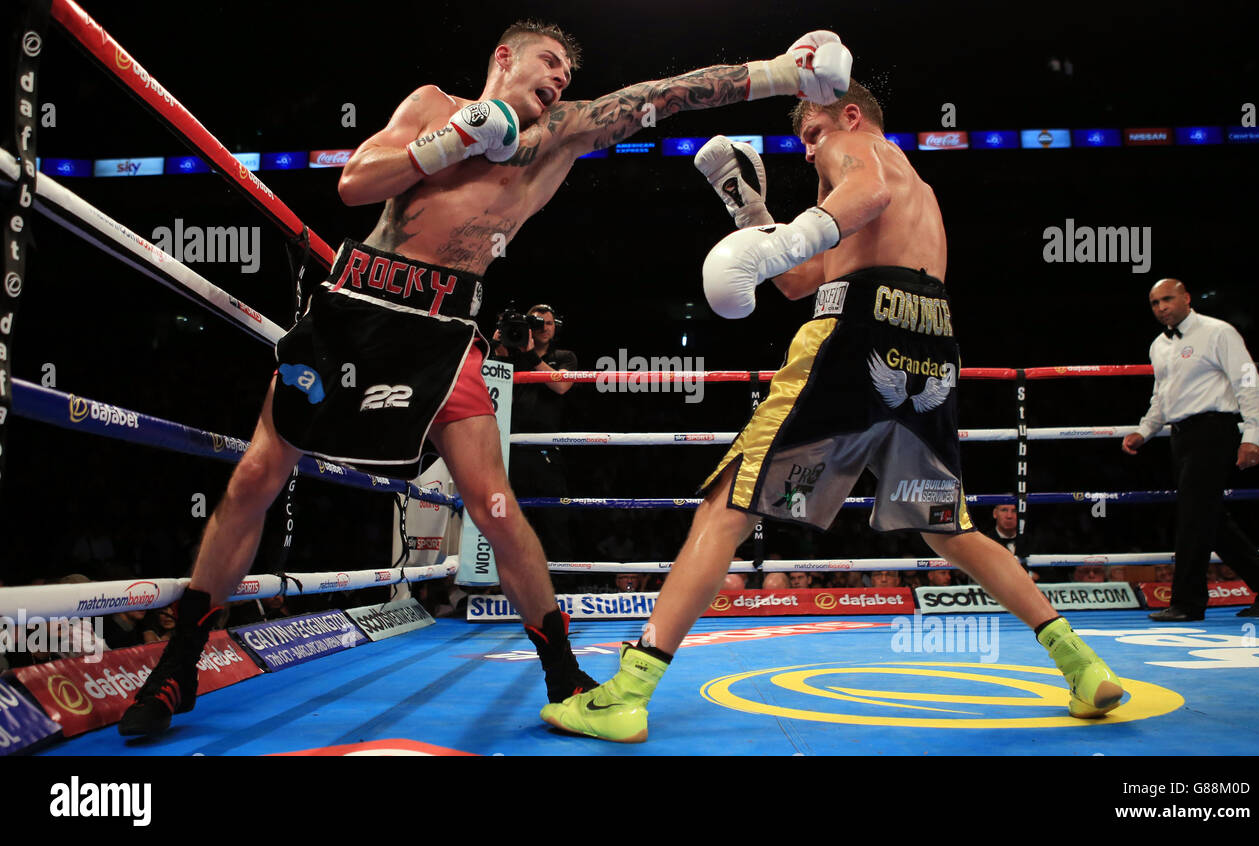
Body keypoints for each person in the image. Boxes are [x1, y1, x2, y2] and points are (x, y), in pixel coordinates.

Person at [119, 21, 855, 737]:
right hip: (355, 304)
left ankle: (563, 675)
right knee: (256, 475)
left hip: (443, 332)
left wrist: (783, 74)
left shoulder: (559, 133)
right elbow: (353, 184)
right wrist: (453, 139)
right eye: (549, 61)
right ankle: (177, 666)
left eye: (568, 72)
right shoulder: (431, 104)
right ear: (505, 57)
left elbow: (663, 95)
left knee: (496, 508)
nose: (561, 77)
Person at [543, 79, 1124, 743]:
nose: (809, 151)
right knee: (948, 530)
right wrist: (751, 210)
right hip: (928, 345)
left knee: (726, 507)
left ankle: (627, 693)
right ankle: (1082, 665)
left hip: (854, 338)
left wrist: (791, 230)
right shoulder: (913, 195)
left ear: (849, 115)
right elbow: (798, 280)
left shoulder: (866, 152)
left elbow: (862, 192)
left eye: (813, 134)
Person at [1121, 278, 1259, 622]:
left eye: (1167, 299)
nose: (1162, 307)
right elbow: (1162, 395)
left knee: (1193, 517)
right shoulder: (1159, 345)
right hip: (1180, 436)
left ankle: (1187, 602)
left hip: (1213, 430)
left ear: (1186, 298)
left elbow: (1247, 381)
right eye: (1155, 303)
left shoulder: (1218, 332)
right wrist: (1144, 430)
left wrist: (1253, 436)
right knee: (1209, 518)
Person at [493, 304, 577, 560]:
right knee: (511, 527)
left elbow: (561, 386)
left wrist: (531, 356)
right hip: (510, 450)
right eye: (538, 322)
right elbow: (495, 389)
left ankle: (560, 581)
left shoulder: (564, 356)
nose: (544, 327)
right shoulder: (510, 353)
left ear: (556, 327)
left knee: (554, 526)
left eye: (549, 323)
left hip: (546, 452)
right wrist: (497, 349)